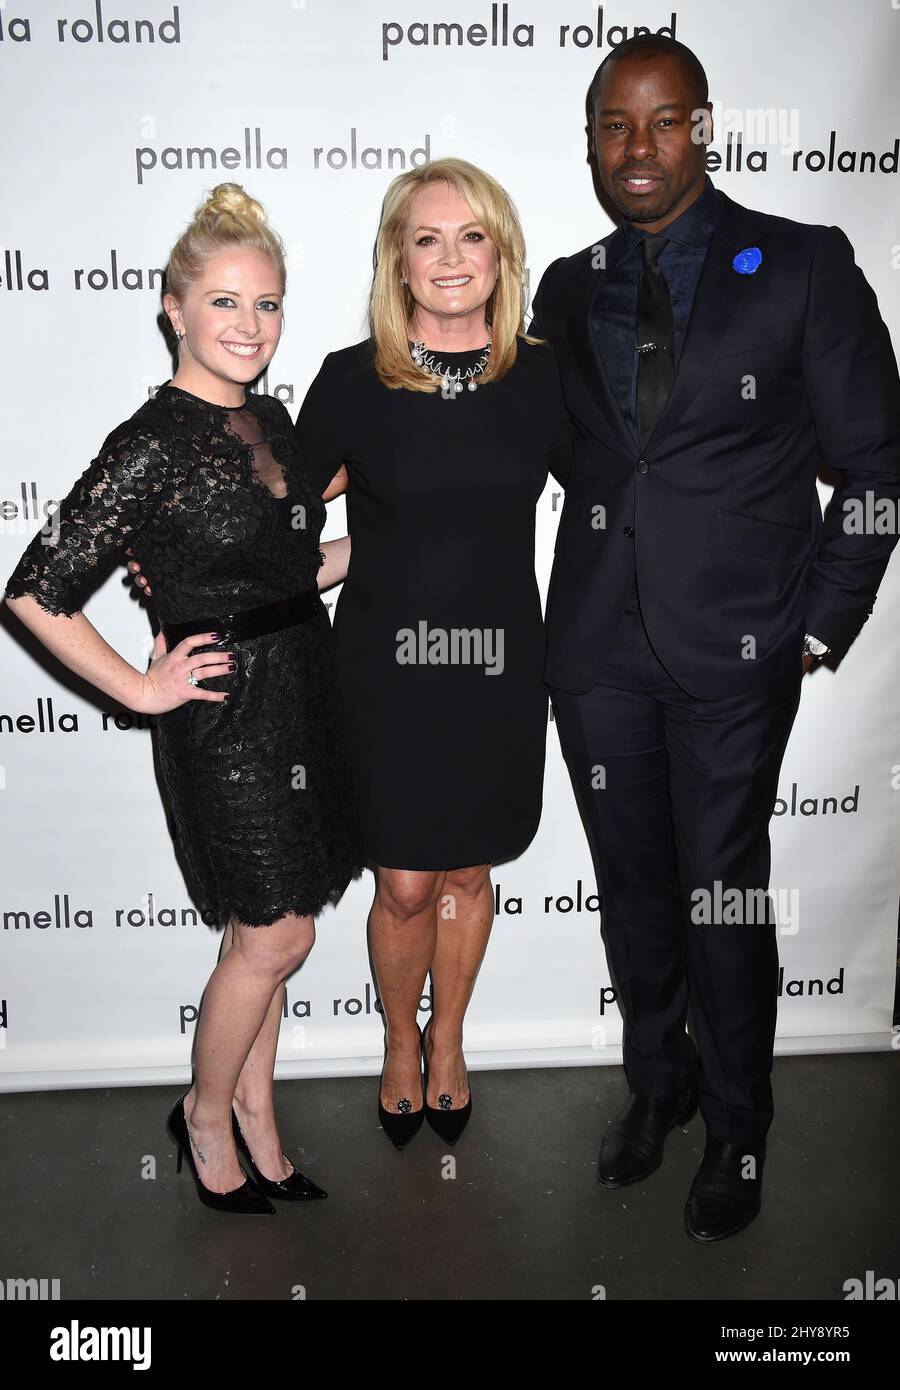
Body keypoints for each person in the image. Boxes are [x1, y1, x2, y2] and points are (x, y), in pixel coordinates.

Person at [529, 34, 900, 1241]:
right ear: (591, 140)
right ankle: (660, 1085)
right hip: (595, 657)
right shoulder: (569, 286)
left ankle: (741, 1121)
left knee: (721, 895)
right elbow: (547, 459)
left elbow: (878, 471)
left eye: (663, 122)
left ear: (704, 126)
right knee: (634, 891)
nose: (638, 149)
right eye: (613, 127)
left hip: (739, 655)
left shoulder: (800, 265)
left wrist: (819, 627)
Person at [4, 183, 365, 1214]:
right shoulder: (150, 445)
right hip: (227, 716)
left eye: (268, 305)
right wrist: (139, 686)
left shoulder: (279, 422)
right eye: (225, 303)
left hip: (309, 688)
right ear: (173, 306)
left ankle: (259, 1114)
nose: (249, 326)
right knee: (277, 935)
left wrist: (400, 543)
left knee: (270, 933)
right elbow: (35, 591)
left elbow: (294, 564)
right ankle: (206, 1113)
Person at [295, 159, 572, 1146]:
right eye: (427, 238)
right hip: (384, 674)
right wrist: (311, 560)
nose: (451, 257)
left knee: (466, 876)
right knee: (404, 881)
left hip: (499, 672)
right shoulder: (352, 380)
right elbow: (280, 511)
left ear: (500, 256)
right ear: (398, 261)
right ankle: (396, 1045)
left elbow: (624, 495)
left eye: (472, 236)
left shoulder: (543, 377)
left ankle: (448, 1038)